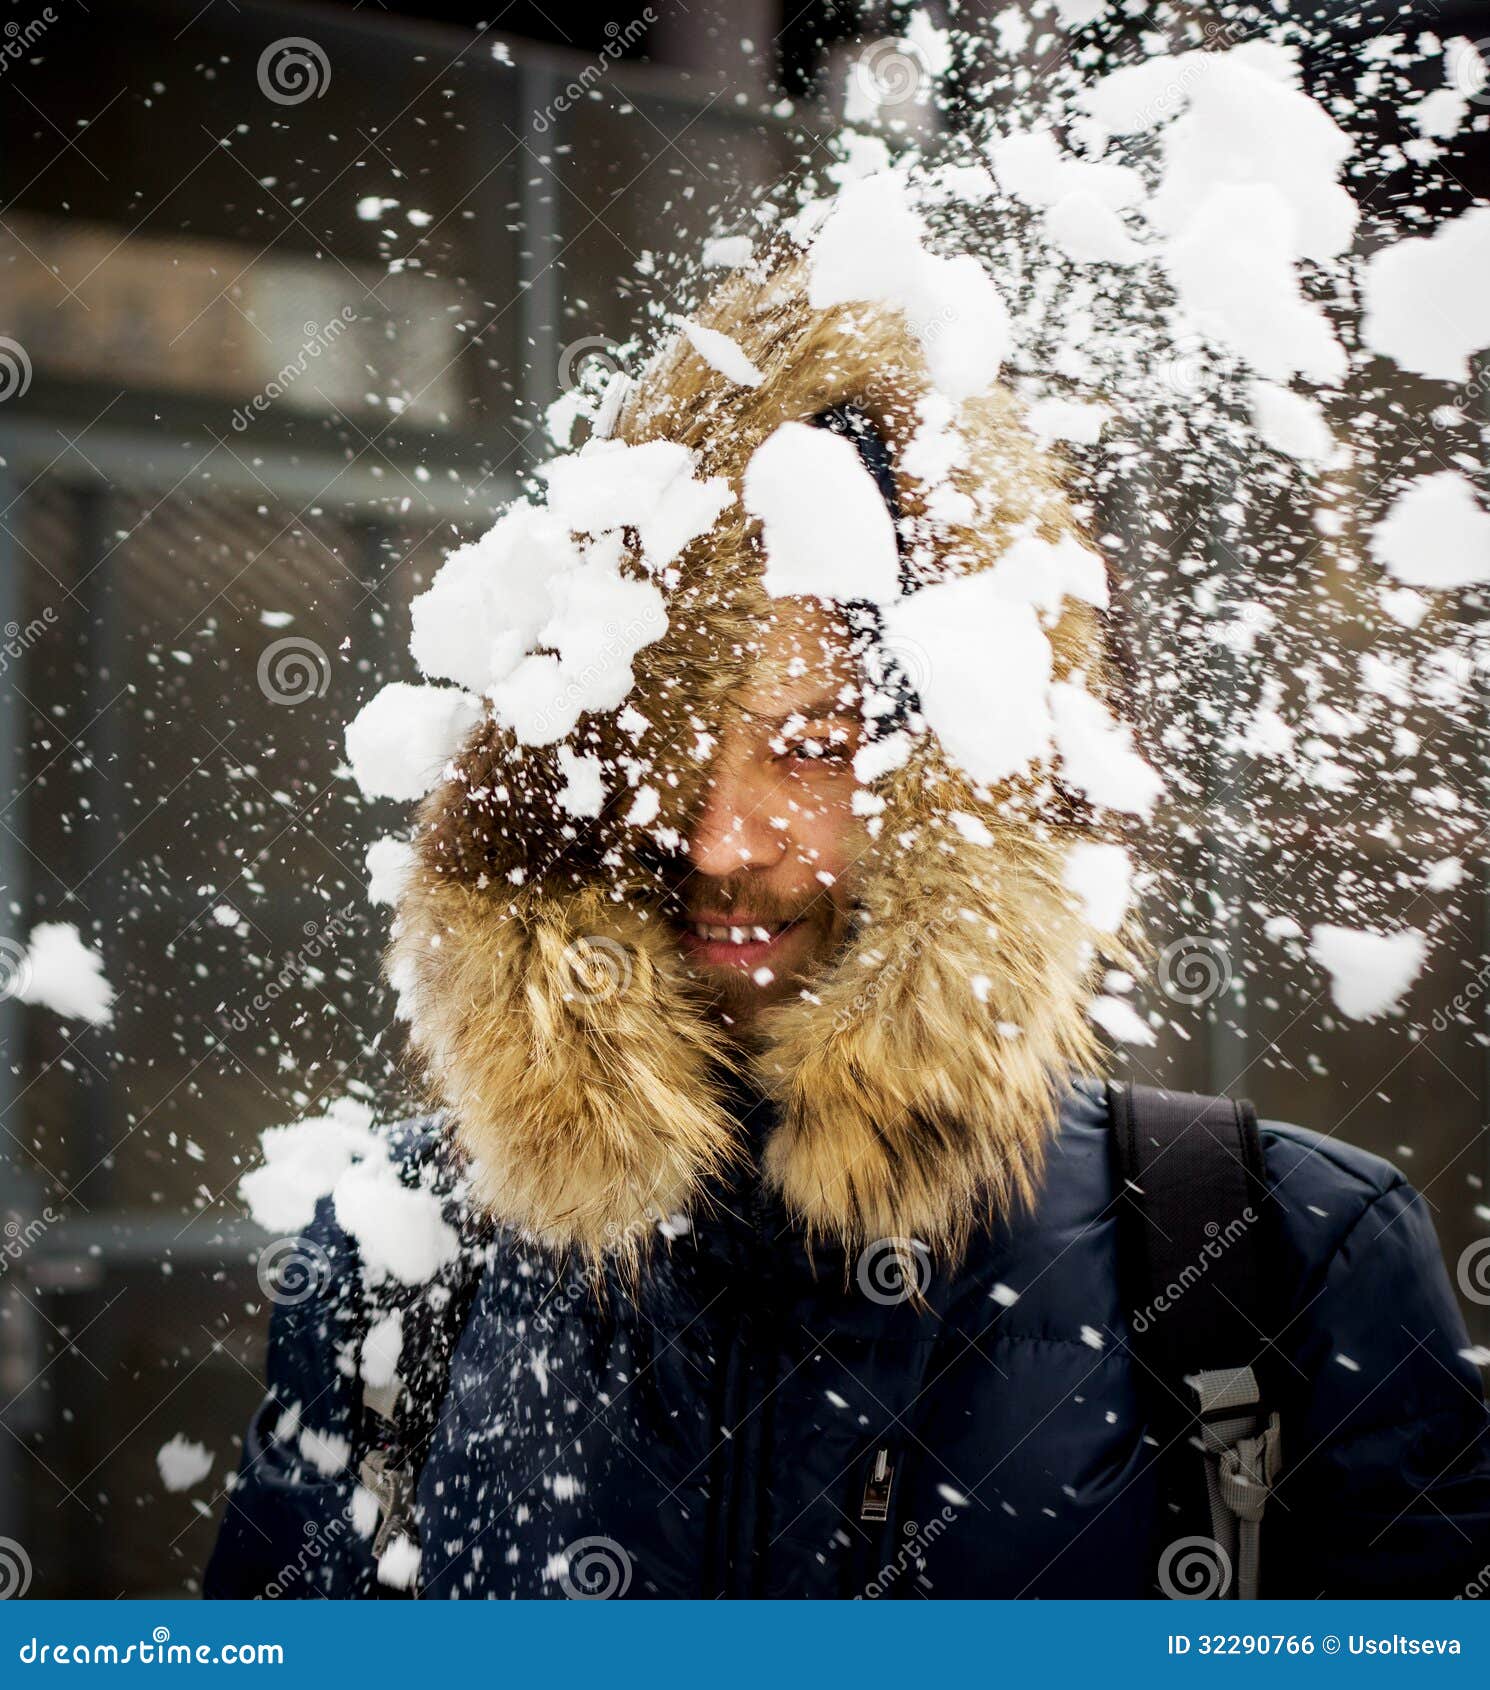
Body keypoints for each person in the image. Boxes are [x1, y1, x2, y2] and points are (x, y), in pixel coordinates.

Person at [205, 254, 1490, 1600]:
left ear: (964, 790)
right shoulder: (404, 1256)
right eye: (669, 740)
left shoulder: (1269, 1254)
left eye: (812, 746)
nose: (718, 836)